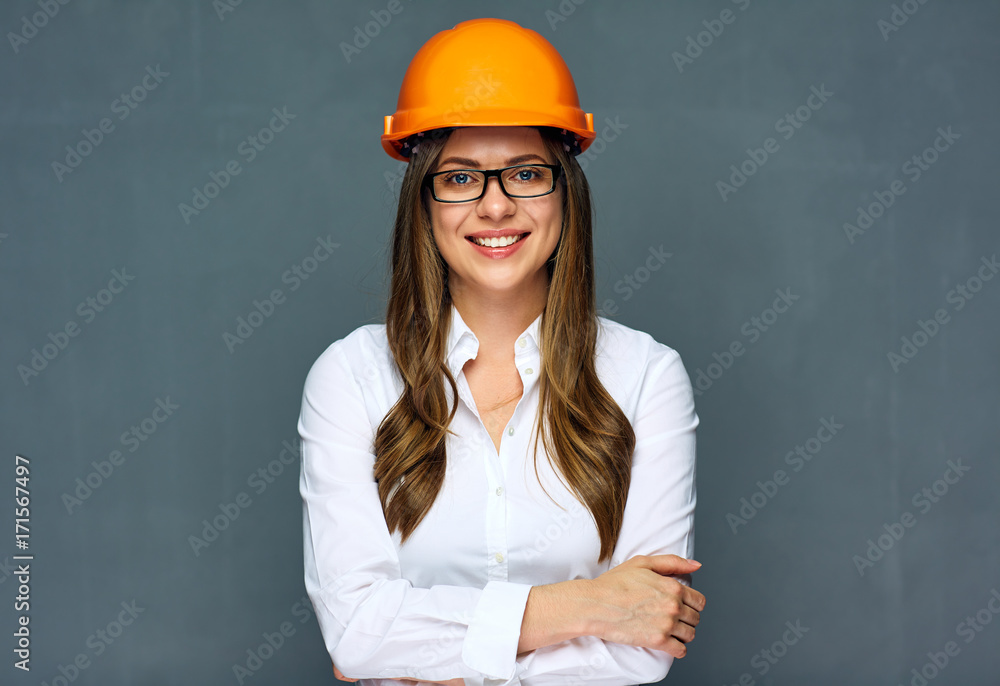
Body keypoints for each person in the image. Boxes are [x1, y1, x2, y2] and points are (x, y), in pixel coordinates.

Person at [297, 17, 705, 686]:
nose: (494, 206)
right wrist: (581, 605)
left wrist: (425, 654)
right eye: (460, 179)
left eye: (525, 173)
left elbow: (644, 646)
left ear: (565, 191)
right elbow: (358, 632)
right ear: (423, 203)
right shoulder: (351, 378)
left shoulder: (646, 377)